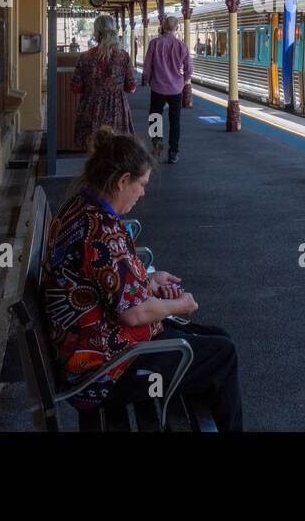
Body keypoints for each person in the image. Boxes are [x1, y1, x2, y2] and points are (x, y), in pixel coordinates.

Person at [43, 127, 243, 431]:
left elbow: (103, 284)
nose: (143, 193)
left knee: (219, 338)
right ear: (123, 181)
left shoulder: (80, 208)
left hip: (90, 349)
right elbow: (134, 313)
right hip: (102, 373)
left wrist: (148, 282)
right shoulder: (103, 233)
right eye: (141, 184)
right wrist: (180, 305)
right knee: (222, 355)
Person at [71, 14, 137, 148]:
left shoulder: (85, 57)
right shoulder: (123, 56)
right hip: (117, 108)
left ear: (96, 32)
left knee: (94, 147)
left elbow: (76, 88)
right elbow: (131, 87)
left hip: (91, 107)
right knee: (116, 146)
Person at [141, 15, 191, 164]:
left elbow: (147, 66)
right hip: (176, 89)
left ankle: (156, 144)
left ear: (163, 26)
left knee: (155, 117)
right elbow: (189, 68)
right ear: (177, 28)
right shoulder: (182, 46)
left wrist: (147, 79)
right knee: (175, 121)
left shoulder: (154, 44)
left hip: (158, 87)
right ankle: (173, 152)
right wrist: (183, 81)